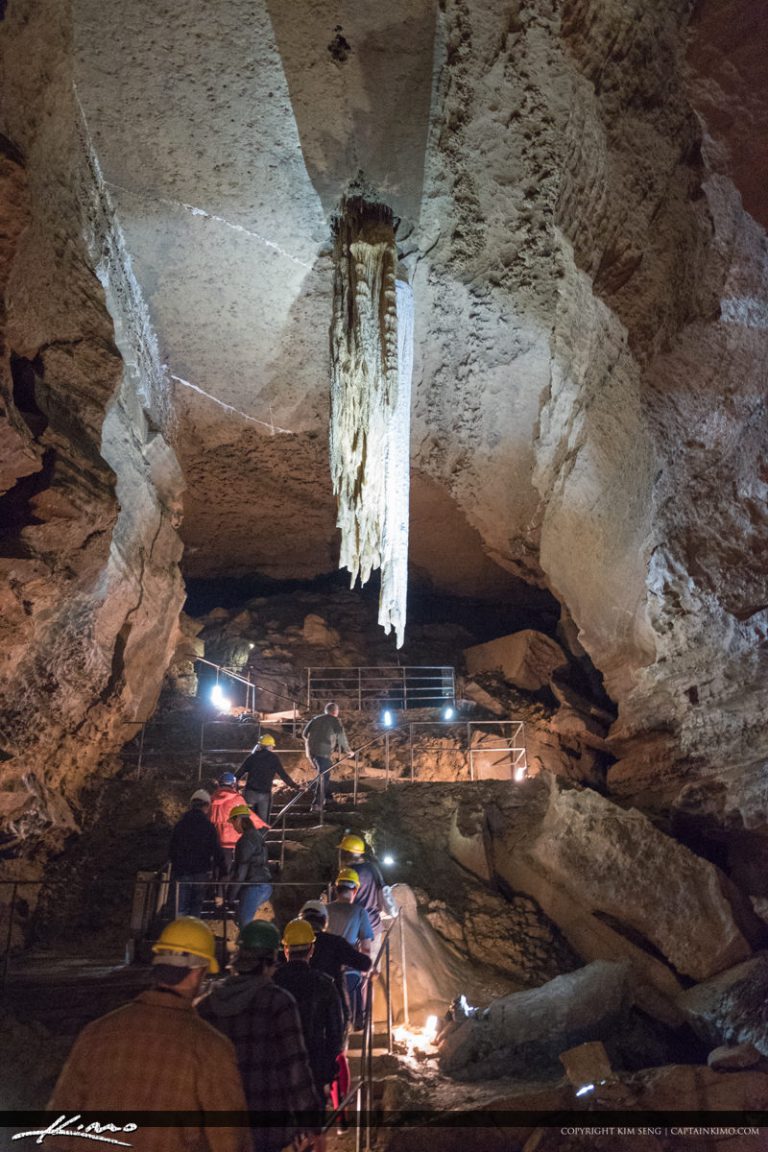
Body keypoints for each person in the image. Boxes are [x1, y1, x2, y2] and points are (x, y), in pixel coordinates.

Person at [48, 917, 250, 1152]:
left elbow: (57, 1136)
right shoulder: (210, 1049)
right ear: (198, 973)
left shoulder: (96, 1034)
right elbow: (230, 1142)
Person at [198, 920, 324, 1152]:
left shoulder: (206, 1007)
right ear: (269, 962)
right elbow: (295, 1070)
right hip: (268, 1127)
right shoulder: (278, 1003)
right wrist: (312, 1125)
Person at [300, 900, 372, 1126]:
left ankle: (309, 1117)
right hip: (335, 1010)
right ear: (324, 920)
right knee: (338, 1058)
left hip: (302, 1012)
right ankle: (341, 1118)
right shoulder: (334, 943)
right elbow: (364, 962)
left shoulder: (293, 943)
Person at [273, 919, 344, 1107]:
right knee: (313, 1129)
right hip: (314, 1066)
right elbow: (336, 1034)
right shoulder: (324, 984)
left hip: (278, 1068)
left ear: (286, 949)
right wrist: (330, 1071)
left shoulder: (270, 984)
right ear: (311, 950)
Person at [326, 869, 374, 1032]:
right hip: (348, 969)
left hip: (325, 968)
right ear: (355, 890)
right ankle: (355, 1025)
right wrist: (365, 969)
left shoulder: (325, 910)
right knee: (352, 1005)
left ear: (336, 889)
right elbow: (366, 945)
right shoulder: (359, 912)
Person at [169, 789, 227, 917]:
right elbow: (216, 850)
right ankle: (195, 933)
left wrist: (175, 865)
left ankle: (179, 934)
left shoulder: (180, 825)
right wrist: (223, 870)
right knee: (196, 905)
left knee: (181, 907)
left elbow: (172, 848)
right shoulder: (208, 826)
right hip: (201, 871)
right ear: (206, 806)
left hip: (182, 871)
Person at [210, 772, 267, 874]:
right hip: (233, 841)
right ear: (233, 784)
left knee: (217, 869)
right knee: (230, 871)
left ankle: (216, 888)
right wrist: (262, 825)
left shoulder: (212, 799)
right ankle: (227, 888)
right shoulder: (237, 799)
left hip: (216, 839)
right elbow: (247, 816)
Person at [236, 734, 299, 824]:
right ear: (269, 746)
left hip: (250, 794)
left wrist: (232, 787)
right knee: (262, 823)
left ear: (261, 746)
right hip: (264, 795)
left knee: (247, 822)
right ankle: (260, 837)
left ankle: (248, 837)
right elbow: (283, 775)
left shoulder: (252, 758)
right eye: (272, 746)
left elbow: (238, 774)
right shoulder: (274, 758)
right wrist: (295, 786)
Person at [229, 803, 272, 928]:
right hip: (264, 884)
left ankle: (251, 946)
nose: (233, 827)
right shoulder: (258, 836)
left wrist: (231, 896)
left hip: (254, 886)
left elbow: (241, 870)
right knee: (241, 920)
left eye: (232, 823)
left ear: (238, 820)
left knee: (244, 925)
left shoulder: (245, 840)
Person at [302, 702, 350, 812]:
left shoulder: (315, 719)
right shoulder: (335, 720)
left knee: (325, 775)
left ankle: (328, 798)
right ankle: (316, 805)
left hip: (312, 753)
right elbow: (341, 736)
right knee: (323, 777)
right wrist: (348, 750)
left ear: (325, 711)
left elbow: (304, 734)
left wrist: (313, 742)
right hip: (323, 753)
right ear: (336, 711)